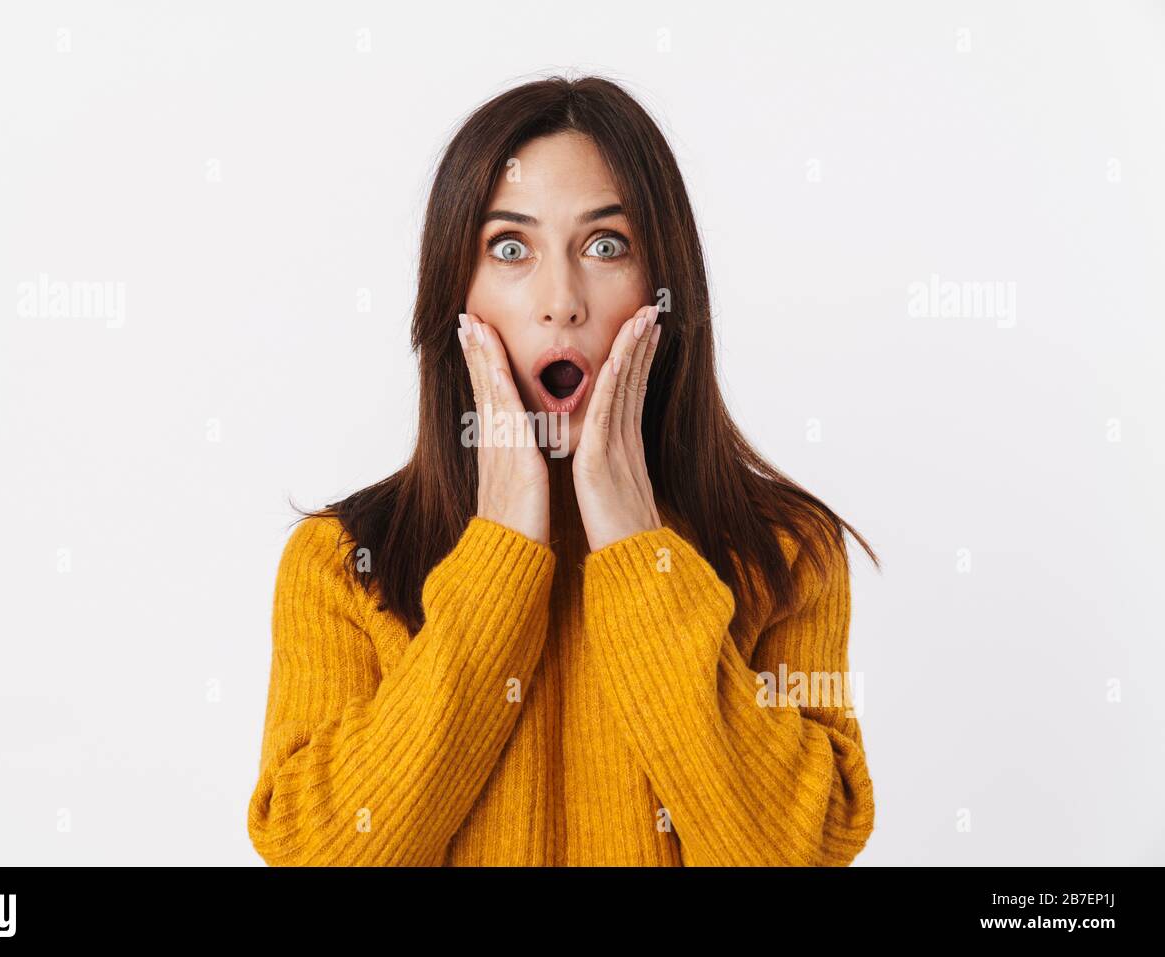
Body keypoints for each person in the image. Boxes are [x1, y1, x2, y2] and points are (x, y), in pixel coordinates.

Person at [247, 74, 879, 866]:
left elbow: (798, 850)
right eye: (510, 248)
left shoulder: (789, 552)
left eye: (605, 245)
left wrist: (638, 552)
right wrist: (500, 550)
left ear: (665, 288)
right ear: (455, 293)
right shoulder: (340, 564)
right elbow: (317, 851)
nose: (561, 301)